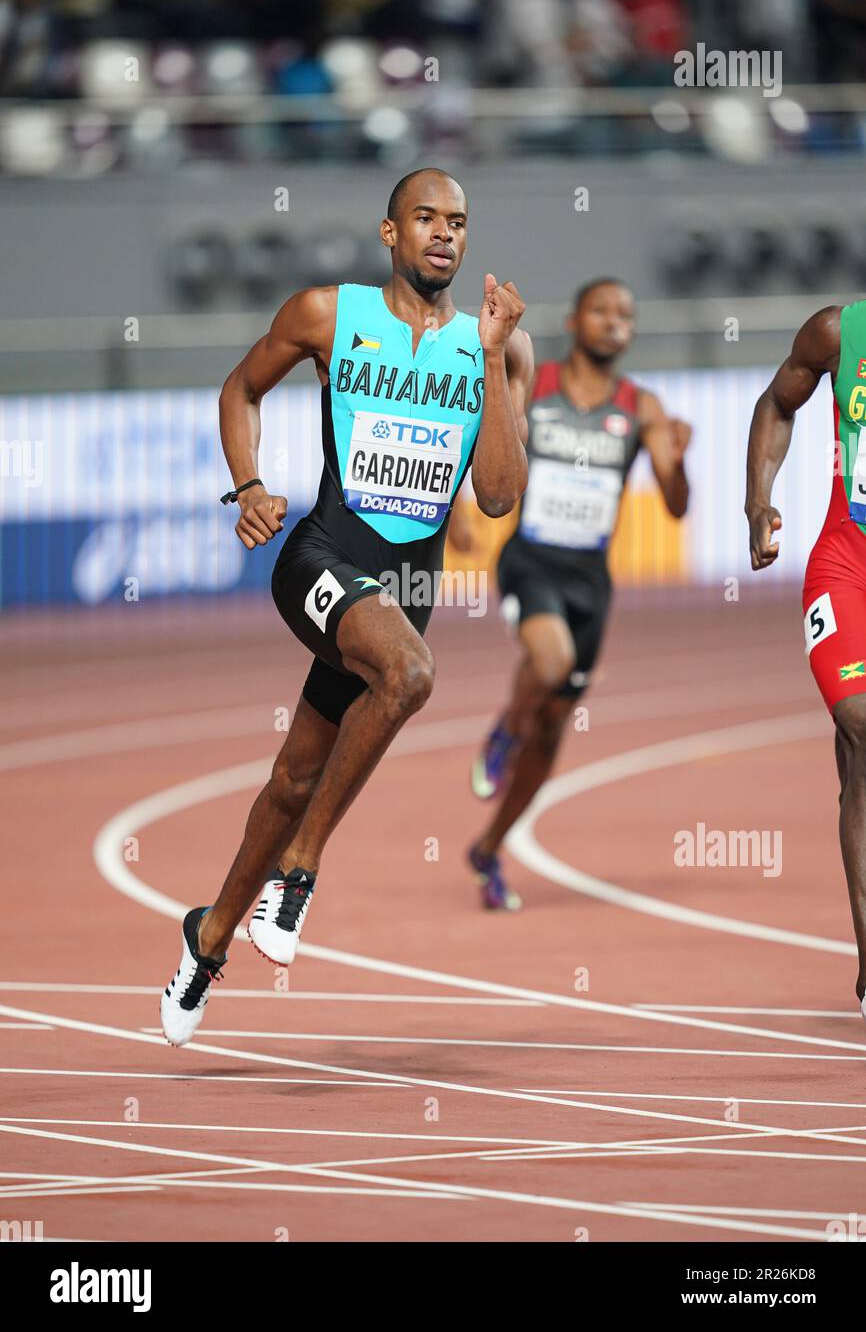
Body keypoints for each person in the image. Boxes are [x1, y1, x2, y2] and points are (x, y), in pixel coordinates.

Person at [161, 167, 533, 1045]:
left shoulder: (496, 344)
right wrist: (247, 483)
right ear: (389, 233)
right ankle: (300, 870)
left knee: (294, 777)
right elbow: (240, 389)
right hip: (321, 557)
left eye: (459, 223)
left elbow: (497, 497)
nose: (445, 235)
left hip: (406, 588)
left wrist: (489, 356)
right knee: (409, 674)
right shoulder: (329, 315)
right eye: (427, 219)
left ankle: (208, 936)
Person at [467, 278, 691, 908]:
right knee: (550, 661)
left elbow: (676, 506)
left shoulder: (640, 407)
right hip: (530, 558)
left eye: (625, 313)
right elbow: (486, 445)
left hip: (591, 582)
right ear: (574, 320)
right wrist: (463, 511)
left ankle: (488, 849)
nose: (615, 321)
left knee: (553, 736)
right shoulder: (535, 386)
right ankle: (504, 731)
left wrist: (679, 460)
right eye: (602, 310)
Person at [746, 300, 866, 1014]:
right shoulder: (838, 332)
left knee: (858, 770)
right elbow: (777, 401)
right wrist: (758, 502)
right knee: (861, 723)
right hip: (846, 568)